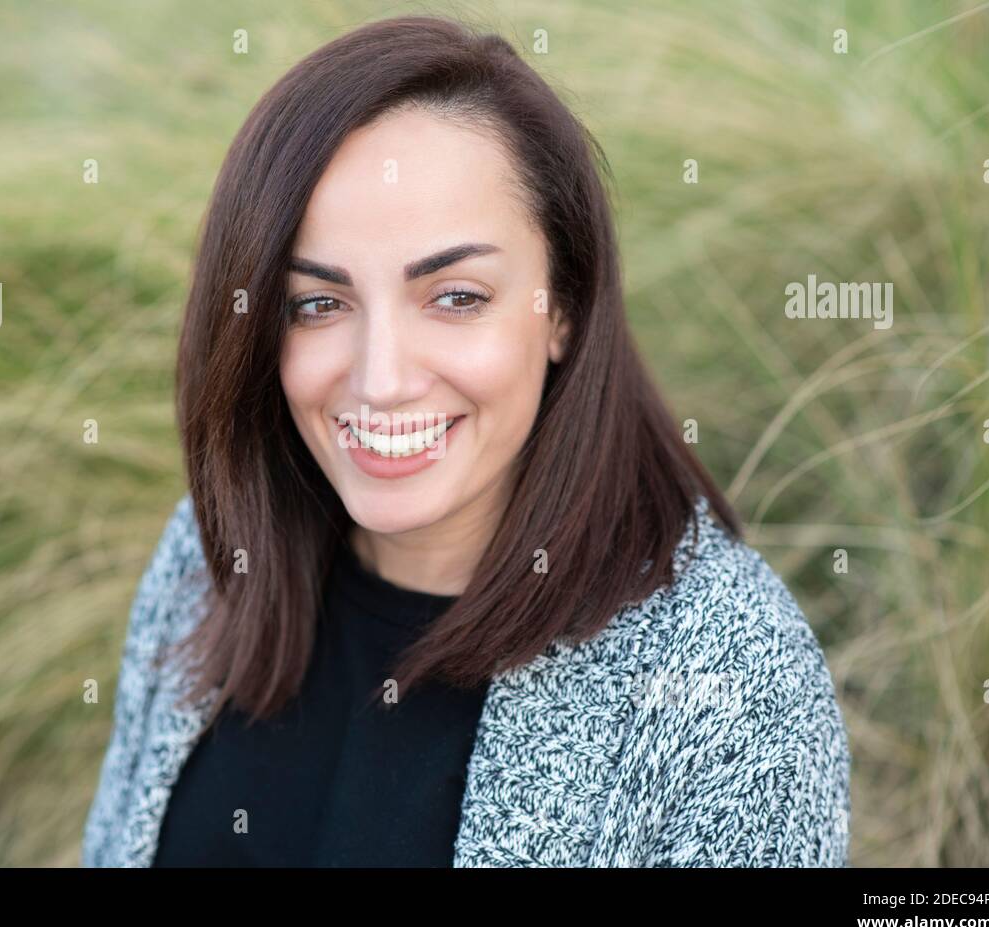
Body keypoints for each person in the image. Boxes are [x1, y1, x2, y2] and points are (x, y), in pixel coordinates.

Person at [81, 14, 850, 867]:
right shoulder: (208, 554)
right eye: (319, 303)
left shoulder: (727, 679)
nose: (380, 379)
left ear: (563, 305)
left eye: (455, 297)